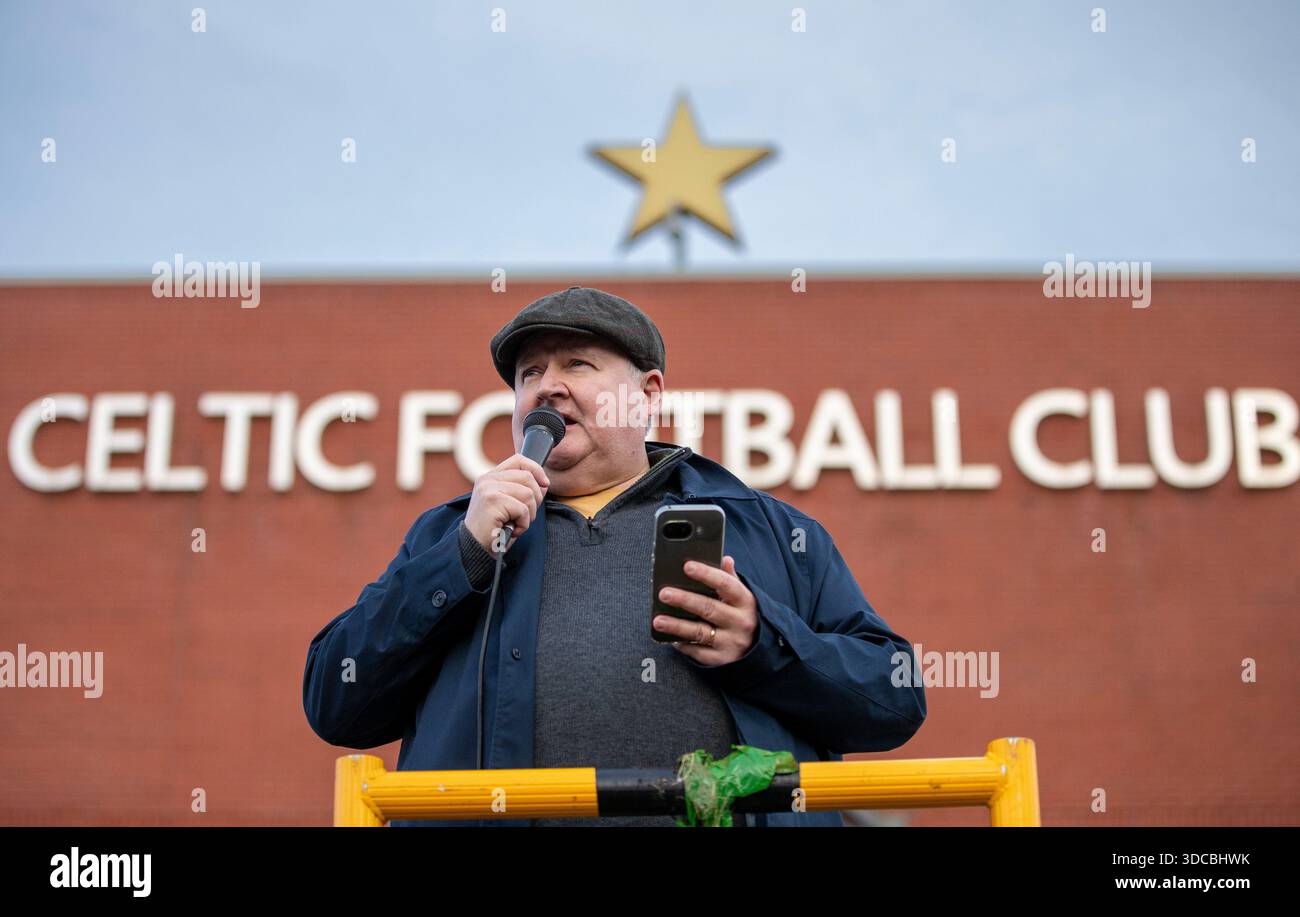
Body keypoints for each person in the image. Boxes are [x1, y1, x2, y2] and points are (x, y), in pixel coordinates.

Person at [303, 285, 926, 826]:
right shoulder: (452, 533)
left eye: (577, 364)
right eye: (529, 374)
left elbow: (895, 697)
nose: (547, 387)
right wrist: (462, 557)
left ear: (646, 393)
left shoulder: (769, 530)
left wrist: (763, 645)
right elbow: (336, 703)